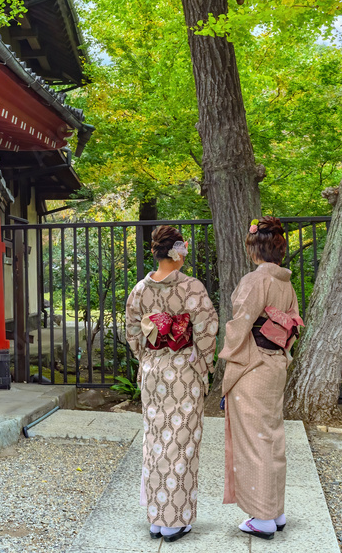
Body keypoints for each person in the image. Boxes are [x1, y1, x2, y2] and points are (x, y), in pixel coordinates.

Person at [125, 225, 218, 544]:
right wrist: (204, 364)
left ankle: (156, 518)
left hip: (153, 372)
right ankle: (174, 520)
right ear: (176, 253)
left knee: (155, 439)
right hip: (184, 372)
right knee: (181, 441)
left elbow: (133, 332)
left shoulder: (140, 289)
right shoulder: (192, 287)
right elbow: (207, 329)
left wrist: (146, 358)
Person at [220, 217, 304, 541]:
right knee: (271, 437)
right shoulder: (286, 283)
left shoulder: (256, 280)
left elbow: (241, 323)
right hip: (275, 365)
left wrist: (229, 354)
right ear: (279, 249)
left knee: (253, 441)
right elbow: (292, 325)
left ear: (254, 249)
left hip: (253, 366)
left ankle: (262, 517)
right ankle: (275, 510)